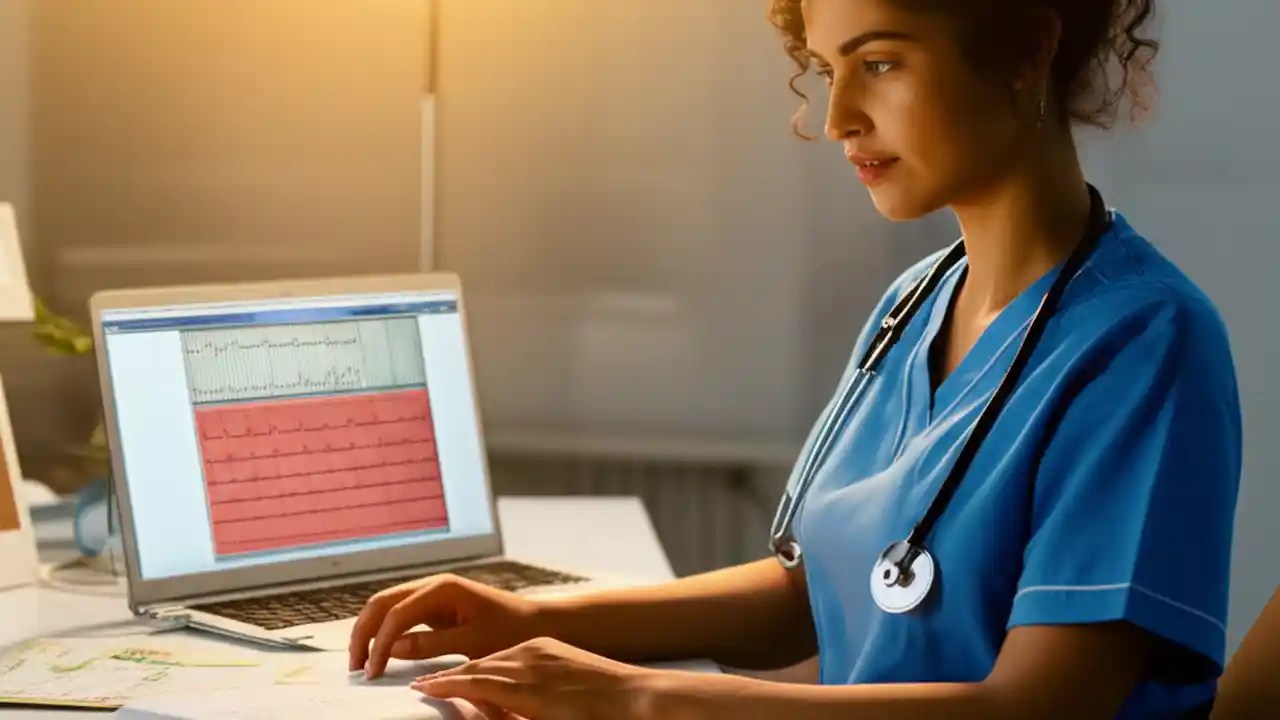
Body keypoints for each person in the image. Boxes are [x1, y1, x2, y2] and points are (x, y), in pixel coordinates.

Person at [348, 0, 1244, 717]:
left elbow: (1040, 706)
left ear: (1025, 50)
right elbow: (805, 596)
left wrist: (641, 700)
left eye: (879, 63)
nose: (837, 118)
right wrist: (527, 615)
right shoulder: (914, 305)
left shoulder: (1145, 342)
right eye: (825, 71)